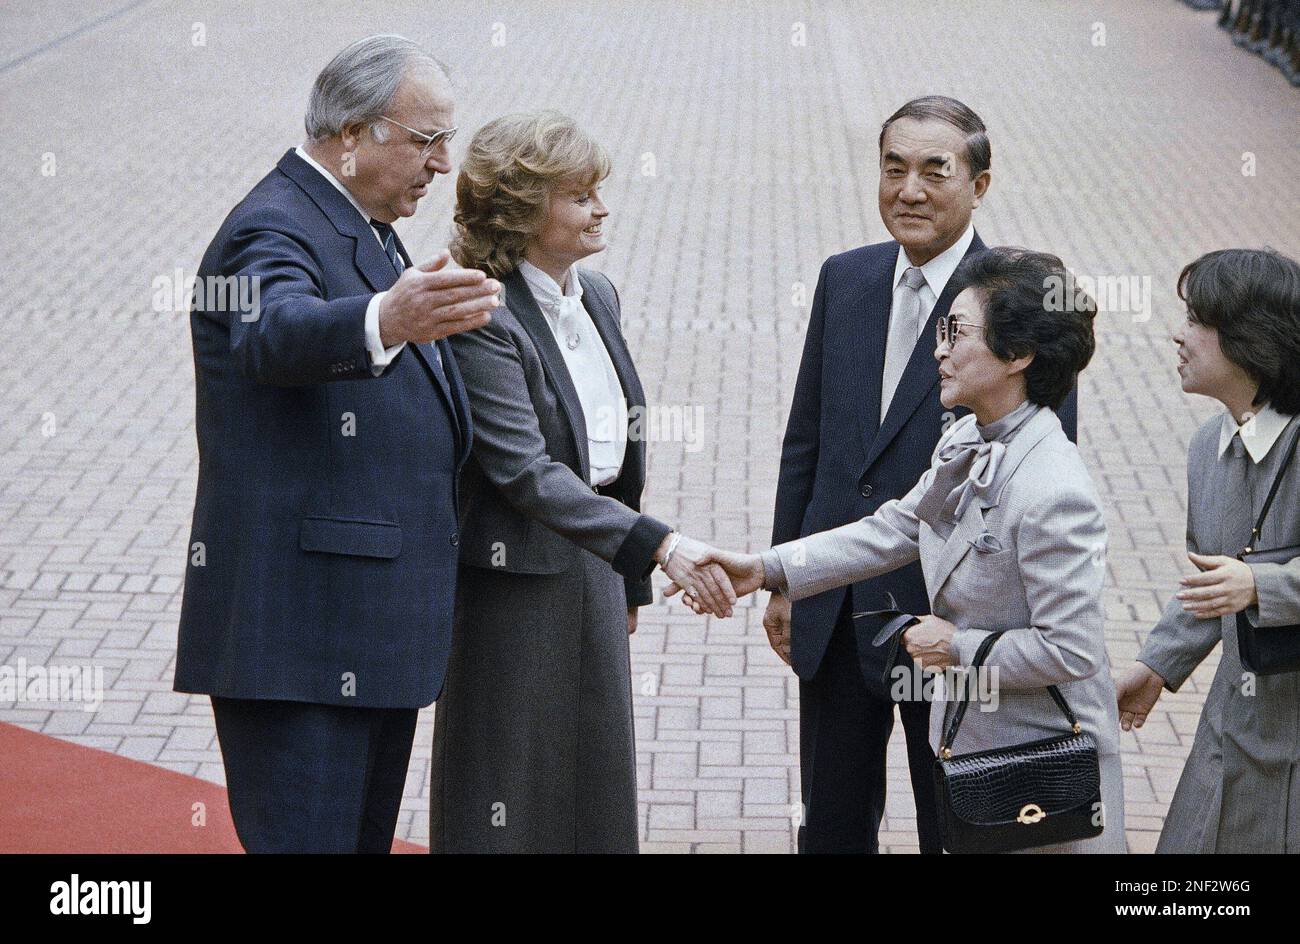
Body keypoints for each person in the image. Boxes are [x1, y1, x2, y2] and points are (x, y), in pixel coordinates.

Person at [677, 246, 1125, 853]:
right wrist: (767, 569)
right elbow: (897, 528)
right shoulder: (969, 437)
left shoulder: (1052, 489)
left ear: (1017, 355)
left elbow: (1069, 649)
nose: (938, 351)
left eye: (956, 334)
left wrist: (955, 647)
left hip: (1038, 774)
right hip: (980, 751)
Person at [173, 35, 501, 853]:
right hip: (301, 640)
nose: (442, 165)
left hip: (361, 635)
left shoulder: (362, 222)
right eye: (426, 141)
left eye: (446, 142)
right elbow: (269, 330)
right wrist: (383, 319)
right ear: (351, 136)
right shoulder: (270, 225)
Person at [767, 94, 1079, 854]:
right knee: (833, 828)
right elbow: (807, 439)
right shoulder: (847, 277)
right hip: (839, 612)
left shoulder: (1018, 302)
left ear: (980, 185)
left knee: (962, 829)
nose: (908, 190)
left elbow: (1037, 467)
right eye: (893, 168)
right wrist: (787, 578)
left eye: (934, 171)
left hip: (951, 626)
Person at [430, 111, 735, 853]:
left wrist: (628, 577)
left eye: (598, 191)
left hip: (597, 565)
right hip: (516, 583)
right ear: (522, 207)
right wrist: (660, 548)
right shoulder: (482, 312)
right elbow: (524, 472)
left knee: (595, 784)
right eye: (579, 195)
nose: (601, 208)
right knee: (508, 788)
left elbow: (616, 453)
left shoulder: (596, 293)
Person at [1116, 248, 1300, 853]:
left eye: (1196, 320)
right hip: (1235, 726)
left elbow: (1240, 582)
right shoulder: (1207, 448)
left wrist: (1261, 586)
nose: (1179, 334)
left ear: (1252, 339)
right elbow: (1207, 580)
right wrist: (1154, 667)